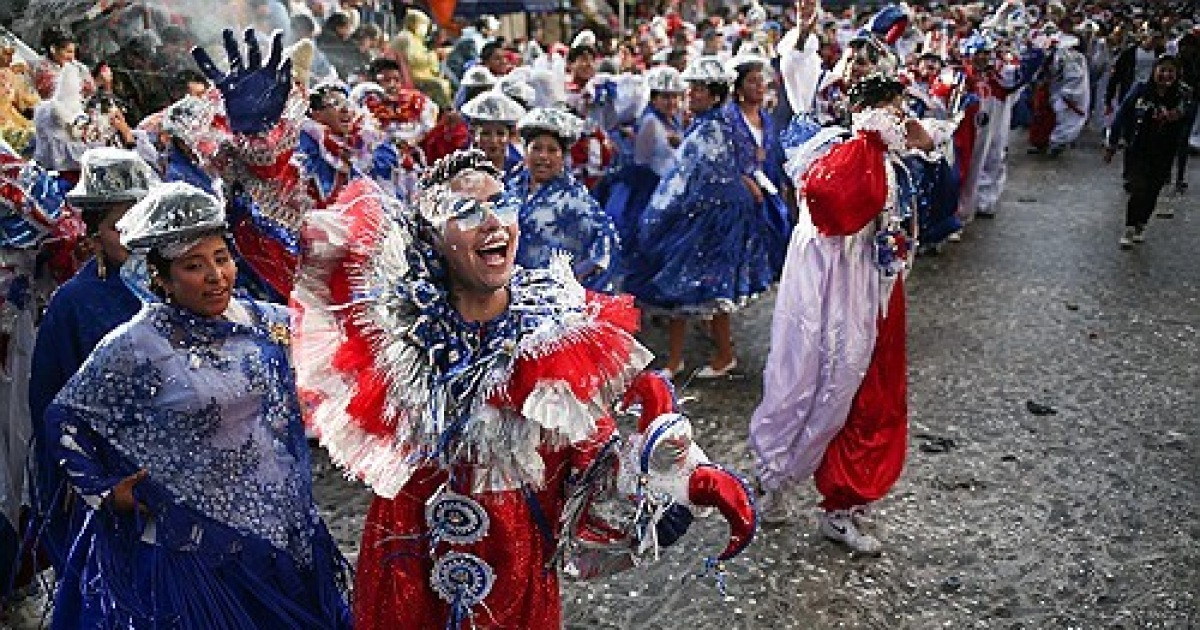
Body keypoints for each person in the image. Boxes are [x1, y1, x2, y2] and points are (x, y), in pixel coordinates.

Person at [291, 149, 755, 629]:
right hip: (409, 554)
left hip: (513, 560)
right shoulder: (395, 327)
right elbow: (292, 243)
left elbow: (591, 462)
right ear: (433, 234)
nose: (493, 223)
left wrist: (684, 477)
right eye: (467, 211)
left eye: (501, 204)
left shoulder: (556, 331)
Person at [42, 182, 351, 628]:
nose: (215, 276)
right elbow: (66, 417)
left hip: (282, 530)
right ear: (160, 278)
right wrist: (107, 491)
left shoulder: (264, 320)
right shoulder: (137, 344)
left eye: (221, 259)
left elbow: (335, 338)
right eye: (193, 266)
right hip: (194, 548)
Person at [749, 74, 932, 553]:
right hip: (844, 301)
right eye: (893, 107)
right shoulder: (851, 158)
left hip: (878, 295)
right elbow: (836, 209)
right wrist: (870, 144)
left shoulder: (883, 159)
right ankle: (781, 483)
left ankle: (839, 502)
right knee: (821, 387)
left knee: (866, 399)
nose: (900, 117)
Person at [28, 149, 157, 580]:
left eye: (145, 217)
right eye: (121, 225)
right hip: (117, 485)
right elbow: (50, 407)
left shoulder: (180, 283)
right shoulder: (73, 305)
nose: (137, 235)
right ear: (94, 234)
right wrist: (96, 487)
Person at [626, 56, 776, 379]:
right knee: (694, 290)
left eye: (696, 90)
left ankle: (708, 356)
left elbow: (686, 180)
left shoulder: (710, 130)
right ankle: (691, 357)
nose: (689, 95)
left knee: (694, 288)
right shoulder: (715, 124)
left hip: (705, 220)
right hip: (704, 217)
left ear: (714, 94)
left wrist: (657, 214)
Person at [504, 107, 619, 292]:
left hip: (552, 299)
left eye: (552, 150)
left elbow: (606, 244)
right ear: (526, 152)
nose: (543, 156)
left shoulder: (576, 199)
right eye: (537, 148)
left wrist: (575, 280)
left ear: (563, 156)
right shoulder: (510, 187)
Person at [1105, 55, 1195, 248]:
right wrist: (1112, 143)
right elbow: (1121, 114)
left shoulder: (1183, 94)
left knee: (1153, 190)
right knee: (1138, 187)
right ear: (1155, 71)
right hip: (1139, 147)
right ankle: (1129, 227)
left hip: (1165, 150)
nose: (1166, 75)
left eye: (1170, 71)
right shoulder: (1140, 90)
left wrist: (1177, 116)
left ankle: (1141, 224)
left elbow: (1188, 121)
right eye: (1162, 70)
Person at [603, 65, 685, 275]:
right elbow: (642, 161)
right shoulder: (650, 122)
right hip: (650, 187)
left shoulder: (673, 120)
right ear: (654, 99)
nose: (671, 103)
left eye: (675, 97)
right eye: (665, 97)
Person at [460, 89, 526, 179]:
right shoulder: (460, 168)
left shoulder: (519, 171)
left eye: (500, 133)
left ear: (510, 136)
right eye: (486, 133)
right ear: (473, 134)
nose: (493, 140)